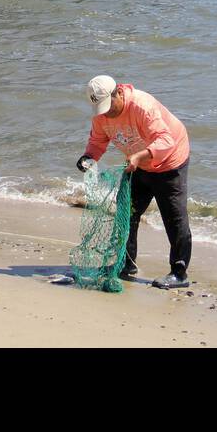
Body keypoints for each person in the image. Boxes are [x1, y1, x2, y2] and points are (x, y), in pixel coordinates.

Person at [76, 75, 192, 289]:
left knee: (174, 217)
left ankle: (179, 273)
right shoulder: (101, 116)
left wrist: (139, 156)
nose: (107, 112)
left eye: (109, 106)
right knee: (126, 213)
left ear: (119, 92)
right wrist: (89, 157)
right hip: (137, 163)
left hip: (170, 161)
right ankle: (126, 264)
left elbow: (166, 140)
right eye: (102, 109)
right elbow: (98, 140)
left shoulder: (142, 106)